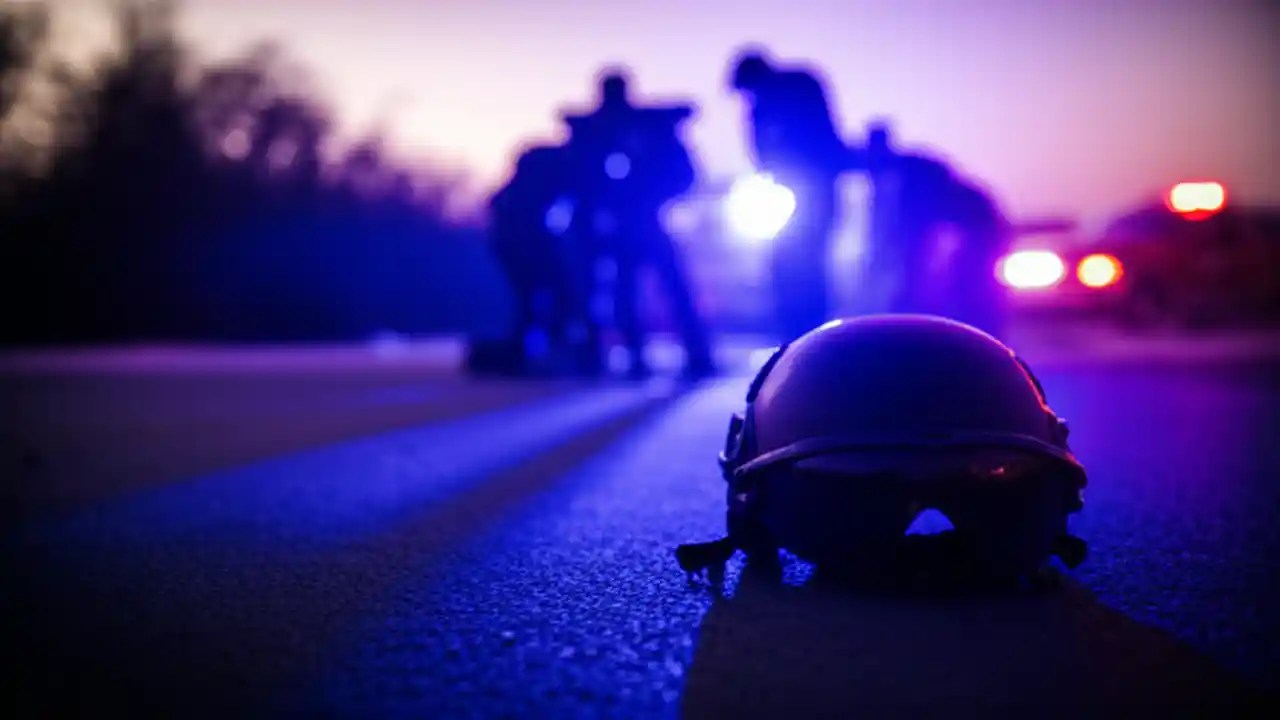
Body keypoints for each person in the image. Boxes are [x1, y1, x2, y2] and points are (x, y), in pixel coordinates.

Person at [563, 70, 714, 378]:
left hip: (642, 221)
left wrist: (646, 198)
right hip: (615, 225)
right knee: (623, 290)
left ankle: (691, 355)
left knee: (660, 286)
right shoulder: (600, 133)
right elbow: (580, 177)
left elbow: (680, 172)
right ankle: (631, 356)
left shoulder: (647, 130)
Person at [728, 47, 850, 341]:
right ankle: (802, 333)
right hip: (799, 191)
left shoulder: (794, 90)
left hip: (811, 190)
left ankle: (807, 334)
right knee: (795, 265)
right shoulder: (773, 99)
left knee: (805, 266)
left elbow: (819, 138)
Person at [862, 122, 1010, 338]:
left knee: (970, 283)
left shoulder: (910, 173)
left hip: (982, 224)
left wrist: (906, 290)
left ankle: (977, 338)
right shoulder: (905, 169)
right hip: (975, 221)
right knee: (956, 280)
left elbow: (910, 234)